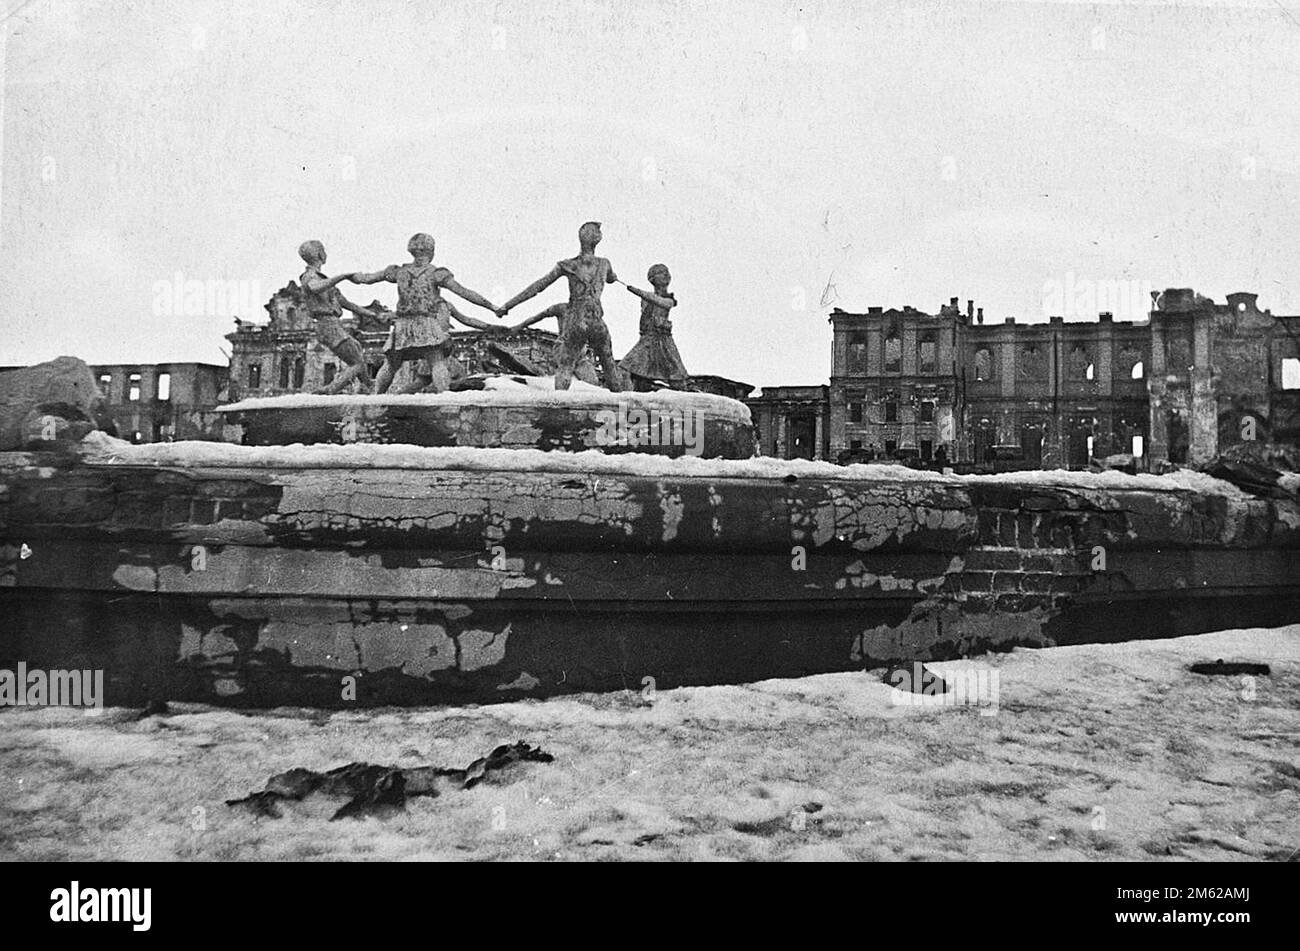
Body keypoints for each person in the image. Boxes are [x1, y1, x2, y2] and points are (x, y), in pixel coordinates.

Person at [347, 233, 500, 393]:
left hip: (402, 325)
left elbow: (365, 279)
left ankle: (376, 398)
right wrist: (492, 307)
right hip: (425, 323)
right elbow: (464, 292)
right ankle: (445, 397)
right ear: (431, 251)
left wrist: (345, 276)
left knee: (391, 364)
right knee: (437, 361)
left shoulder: (398, 272)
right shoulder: (436, 274)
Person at [496, 221, 624, 391]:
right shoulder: (604, 264)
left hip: (577, 320)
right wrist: (611, 278)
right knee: (608, 362)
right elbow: (610, 278)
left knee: (565, 365)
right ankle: (622, 403)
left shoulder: (568, 265)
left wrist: (507, 305)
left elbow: (537, 287)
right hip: (596, 319)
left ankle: (559, 402)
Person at [297, 240, 378, 395]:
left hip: (332, 324)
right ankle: (331, 390)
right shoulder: (310, 277)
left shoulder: (324, 280)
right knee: (357, 363)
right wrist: (343, 276)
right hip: (327, 324)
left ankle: (368, 387)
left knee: (357, 350)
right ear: (320, 254)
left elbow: (347, 304)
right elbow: (315, 287)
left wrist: (372, 315)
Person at [619, 263, 689, 391]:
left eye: (667, 272)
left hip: (664, 341)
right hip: (648, 339)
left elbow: (661, 302)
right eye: (662, 273)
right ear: (653, 279)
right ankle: (628, 397)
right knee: (625, 369)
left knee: (677, 378)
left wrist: (636, 290)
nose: (666, 275)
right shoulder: (646, 299)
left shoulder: (669, 299)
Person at [509, 302, 602, 386]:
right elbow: (537, 317)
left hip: (580, 353)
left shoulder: (589, 311)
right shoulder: (562, 308)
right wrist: (518, 327)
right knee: (565, 372)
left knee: (592, 382)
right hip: (564, 348)